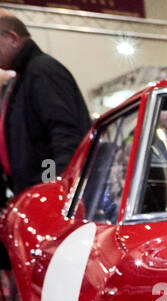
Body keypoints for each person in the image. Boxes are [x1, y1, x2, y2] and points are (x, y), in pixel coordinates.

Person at [0, 11, 91, 195]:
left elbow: (65, 135)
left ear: (13, 38)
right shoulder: (23, 78)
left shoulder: (42, 71)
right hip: (31, 192)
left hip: (48, 192)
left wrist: (51, 187)